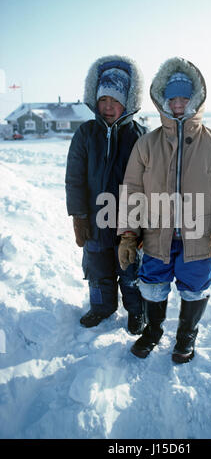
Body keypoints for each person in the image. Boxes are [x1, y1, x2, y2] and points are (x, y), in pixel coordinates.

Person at [117, 57, 211, 363]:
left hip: (199, 240)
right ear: (162, 100)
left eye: (183, 97)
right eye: (171, 98)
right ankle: (153, 331)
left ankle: (187, 335)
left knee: (195, 288)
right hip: (157, 237)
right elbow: (133, 190)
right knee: (152, 286)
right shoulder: (147, 144)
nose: (177, 104)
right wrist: (129, 235)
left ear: (196, 99)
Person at [65, 55, 147, 334]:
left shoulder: (140, 136)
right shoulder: (86, 134)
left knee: (130, 272)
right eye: (103, 100)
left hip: (129, 223)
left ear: (128, 101)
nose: (108, 107)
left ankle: (137, 312)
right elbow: (74, 179)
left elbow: (149, 185)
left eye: (115, 100)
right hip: (96, 220)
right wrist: (78, 215)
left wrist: (142, 228)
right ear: (94, 100)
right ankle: (101, 307)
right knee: (98, 271)